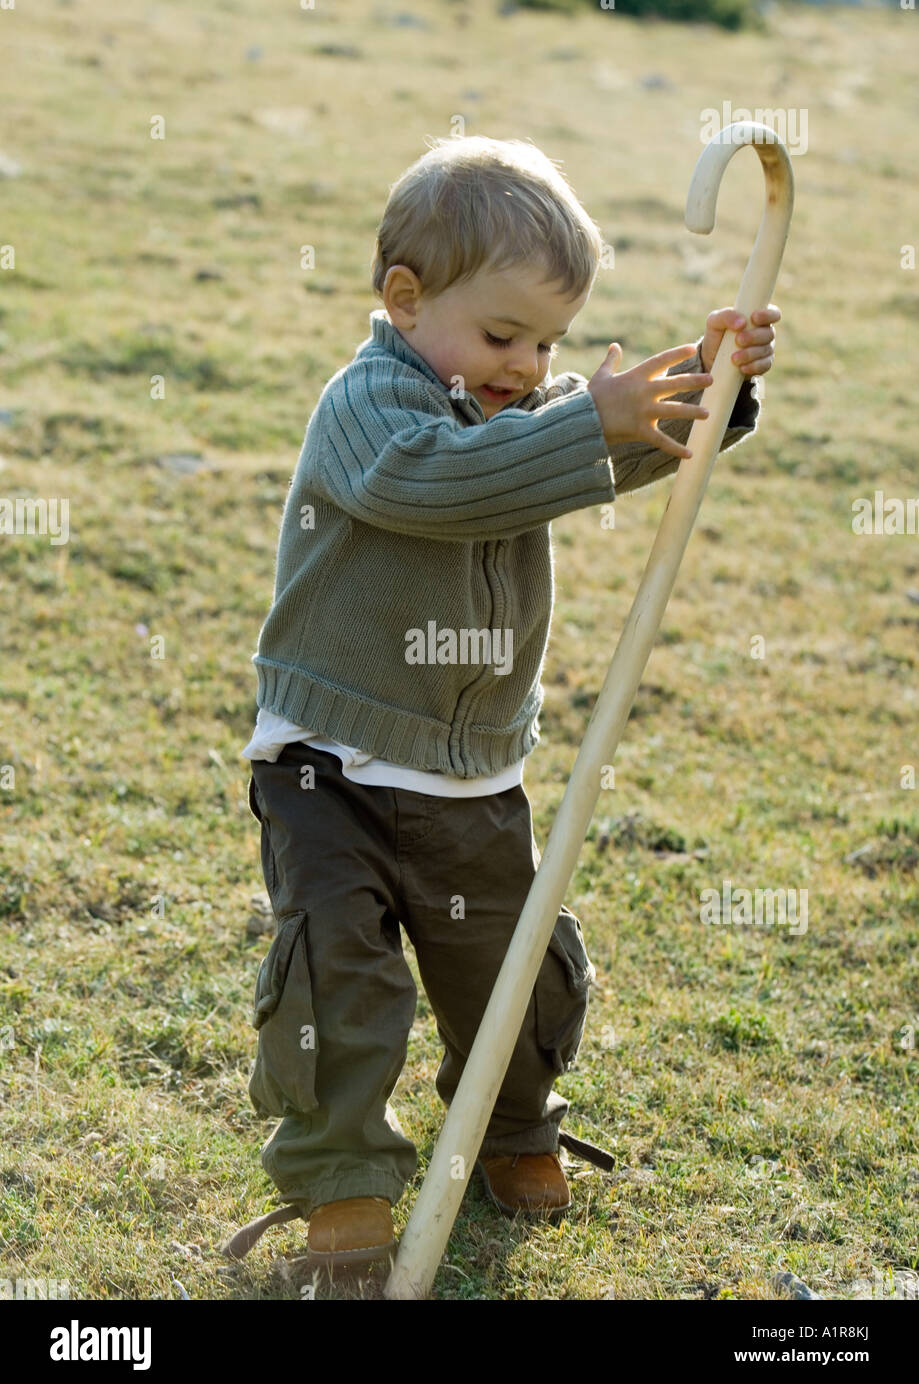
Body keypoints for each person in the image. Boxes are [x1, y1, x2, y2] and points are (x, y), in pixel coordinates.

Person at [231, 135, 780, 1271]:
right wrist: (589, 420)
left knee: (511, 972)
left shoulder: (516, 410)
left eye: (550, 343)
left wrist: (708, 390)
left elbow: (589, 448)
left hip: (470, 771)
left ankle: (513, 1127)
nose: (529, 366)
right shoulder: (368, 409)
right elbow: (439, 482)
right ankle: (342, 1178)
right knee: (339, 974)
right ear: (405, 295)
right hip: (325, 766)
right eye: (501, 335)